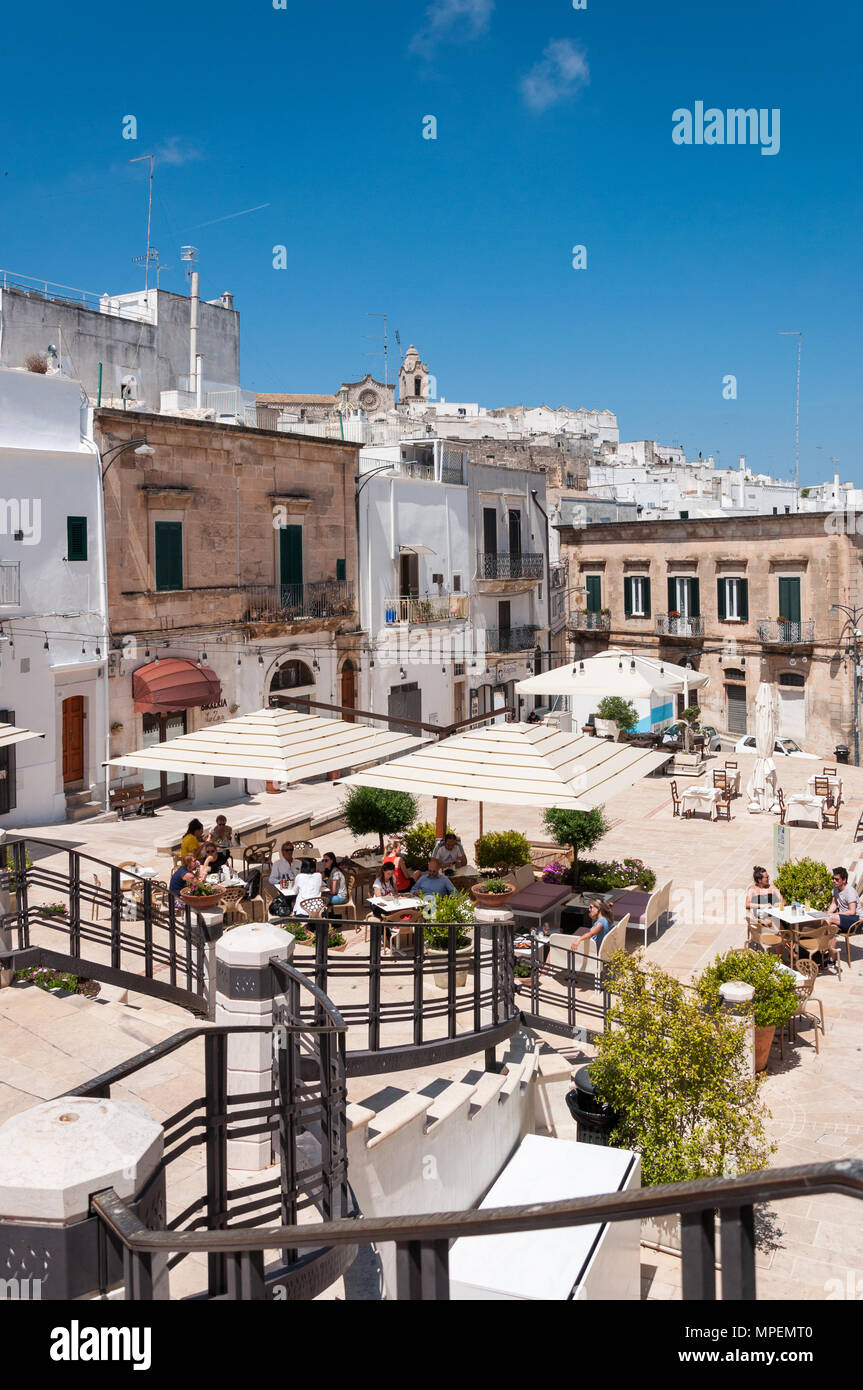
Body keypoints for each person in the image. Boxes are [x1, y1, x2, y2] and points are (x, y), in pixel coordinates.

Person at [824, 866, 859, 968]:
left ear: (844, 880)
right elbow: (834, 904)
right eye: (833, 878)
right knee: (832, 929)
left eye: (836, 879)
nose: (834, 881)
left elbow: (852, 911)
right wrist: (826, 913)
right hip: (844, 918)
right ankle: (831, 960)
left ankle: (823, 948)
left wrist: (834, 915)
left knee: (829, 919)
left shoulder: (850, 891)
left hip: (856, 920)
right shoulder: (835, 889)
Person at [266, 841, 298, 907]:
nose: (289, 852)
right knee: (287, 901)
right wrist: (279, 882)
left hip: (298, 888)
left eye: (291, 850)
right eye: (287, 850)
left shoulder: (299, 863)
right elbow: (271, 879)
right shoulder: (277, 864)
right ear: (282, 852)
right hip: (286, 888)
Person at [321, 850, 347, 916]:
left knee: (320, 899)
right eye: (323, 860)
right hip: (335, 895)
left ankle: (324, 917)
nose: (324, 862)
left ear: (332, 861)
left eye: (326, 860)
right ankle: (327, 916)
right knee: (320, 896)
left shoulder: (335, 872)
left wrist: (324, 892)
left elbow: (333, 891)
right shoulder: (329, 871)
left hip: (340, 897)